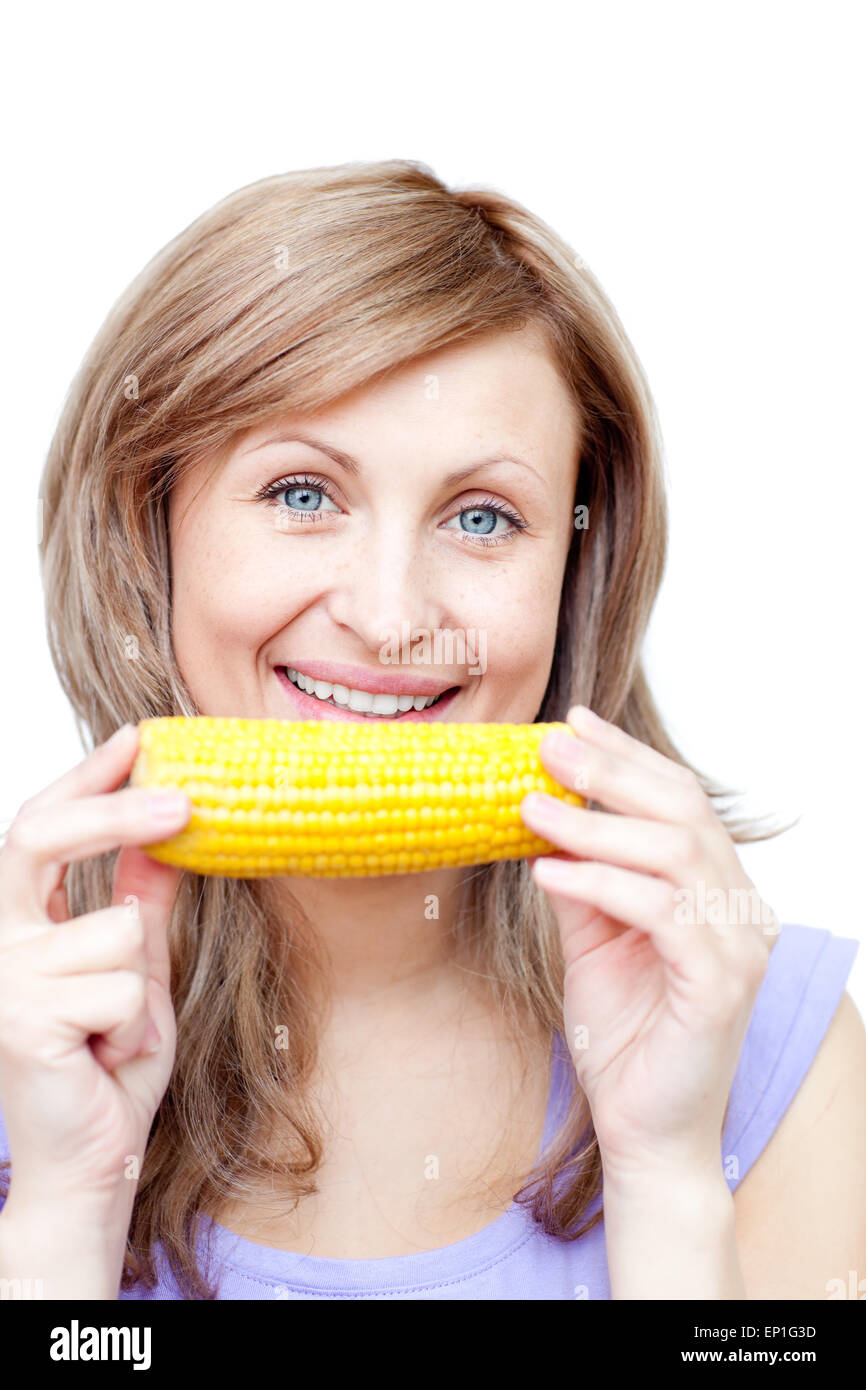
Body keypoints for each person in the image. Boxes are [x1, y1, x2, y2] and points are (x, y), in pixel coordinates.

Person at [0, 160, 862, 1301]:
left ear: (575, 572)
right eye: (302, 493)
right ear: (145, 523)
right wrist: (64, 1207)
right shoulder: (25, 1029)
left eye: (481, 516)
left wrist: (664, 1180)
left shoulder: (766, 1041)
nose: (392, 617)